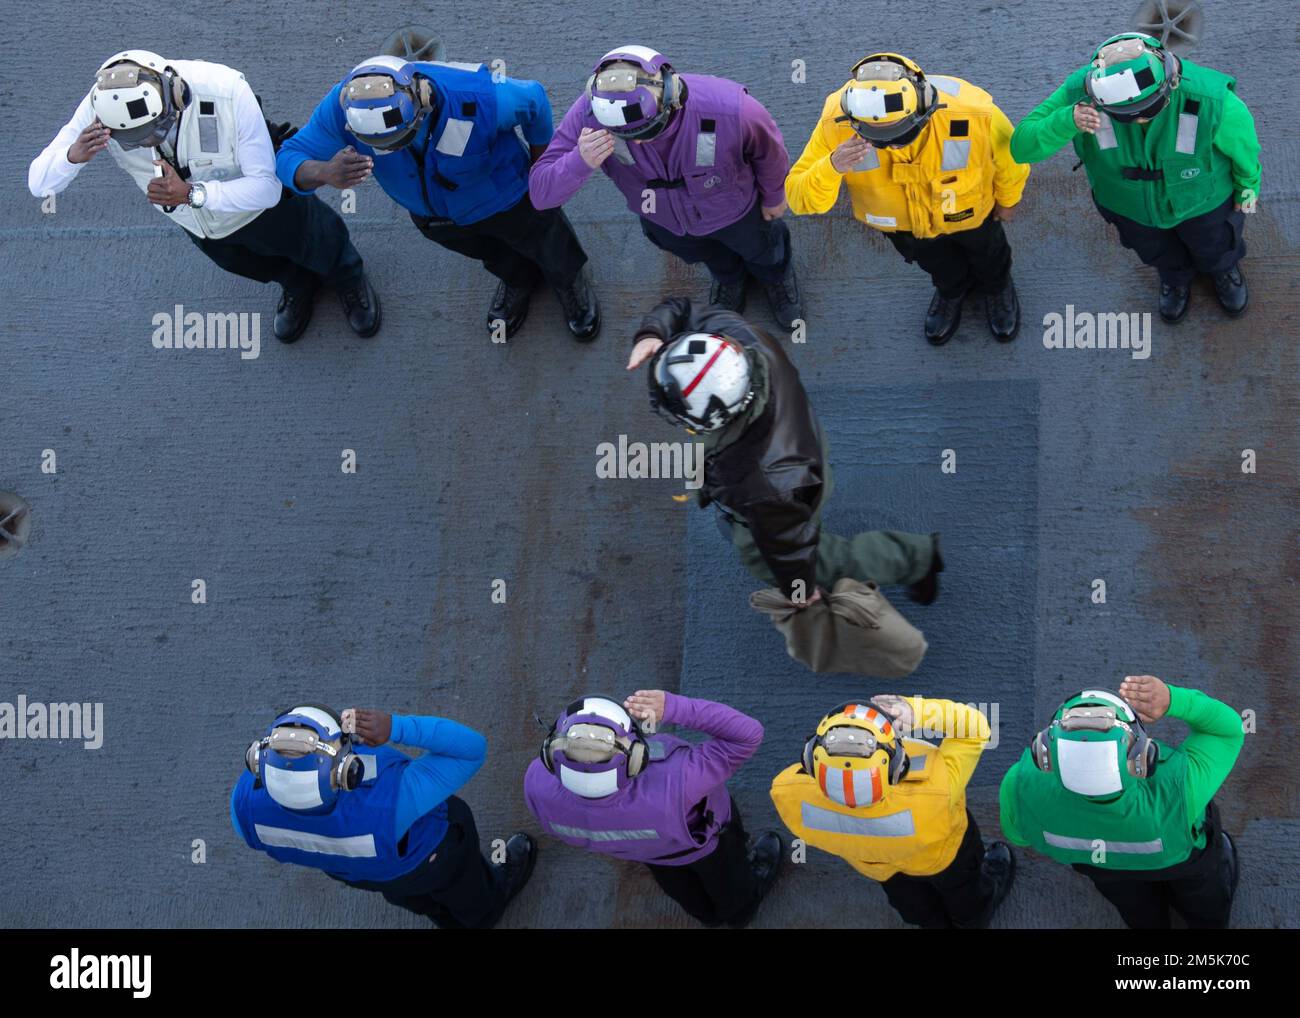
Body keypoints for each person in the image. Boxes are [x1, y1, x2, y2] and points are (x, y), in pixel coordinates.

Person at [29, 49, 378, 345]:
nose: (149, 143)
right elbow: (39, 183)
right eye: (135, 140)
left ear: (175, 94)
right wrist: (71, 157)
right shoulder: (103, 105)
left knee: (317, 240)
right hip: (202, 226)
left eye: (155, 130)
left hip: (258, 209)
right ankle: (299, 286)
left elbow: (267, 188)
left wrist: (192, 194)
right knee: (245, 263)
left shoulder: (227, 92)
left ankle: (348, 279)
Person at [629, 297, 943, 605]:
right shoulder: (744, 341)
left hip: (788, 495)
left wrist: (800, 588)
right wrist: (653, 333)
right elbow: (683, 309)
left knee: (832, 561)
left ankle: (916, 557)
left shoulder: (760, 486)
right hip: (802, 447)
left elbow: (789, 548)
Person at [278, 55, 598, 342]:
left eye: (400, 139)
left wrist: (542, 166)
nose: (396, 150)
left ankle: (567, 280)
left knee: (549, 241)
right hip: (437, 218)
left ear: (422, 102)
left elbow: (535, 100)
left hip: (509, 199)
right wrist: (323, 172)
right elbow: (287, 157)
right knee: (493, 254)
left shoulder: (479, 96)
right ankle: (519, 280)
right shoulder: (345, 105)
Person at [530, 45, 802, 329]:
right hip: (667, 224)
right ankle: (729, 280)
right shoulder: (592, 113)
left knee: (766, 250)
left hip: (737, 214)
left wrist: (774, 196)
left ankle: (775, 278)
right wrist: (579, 161)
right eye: (624, 135)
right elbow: (540, 194)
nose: (636, 143)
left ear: (673, 97)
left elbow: (770, 153)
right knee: (713, 258)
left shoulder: (732, 109)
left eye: (647, 131)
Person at [1011, 32, 1259, 322]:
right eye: (1127, 115)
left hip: (1203, 203)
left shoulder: (1214, 99)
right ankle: (1174, 279)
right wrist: (1067, 120)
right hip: (1130, 208)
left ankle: (1222, 270)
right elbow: (1020, 148)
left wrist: (1248, 193)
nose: (1142, 119)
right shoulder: (1080, 92)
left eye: (1151, 108)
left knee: (1216, 244)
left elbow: (1246, 152)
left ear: (1170, 80)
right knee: (1156, 251)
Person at [785, 52, 1028, 345]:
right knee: (940, 267)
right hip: (907, 230)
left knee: (991, 256)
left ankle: (998, 288)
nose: (889, 145)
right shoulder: (834, 122)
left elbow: (1011, 160)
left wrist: (1008, 200)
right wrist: (831, 166)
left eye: (901, 136)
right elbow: (799, 197)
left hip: (971, 217)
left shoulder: (975, 112)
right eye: (878, 139)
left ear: (924, 105)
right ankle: (951, 291)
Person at [232, 704, 534, 928]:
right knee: (464, 888)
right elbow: (471, 749)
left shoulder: (246, 807)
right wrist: (396, 728)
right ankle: (484, 912)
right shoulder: (394, 799)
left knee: (414, 896)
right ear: (345, 773)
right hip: (433, 854)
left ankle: (442, 915)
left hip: (366, 872)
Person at [999, 676, 1243, 928]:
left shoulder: (1018, 785)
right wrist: (1173, 700)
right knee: (1204, 900)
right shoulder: (1181, 787)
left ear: (1045, 755)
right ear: (1141, 761)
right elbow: (1228, 731)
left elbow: (1018, 837)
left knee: (1135, 907)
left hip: (1101, 870)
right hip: (1182, 863)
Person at [523, 691, 781, 927]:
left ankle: (709, 917)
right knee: (732, 885)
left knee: (684, 891)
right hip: (710, 845)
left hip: (654, 856)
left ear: (550, 754)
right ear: (635, 759)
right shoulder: (681, 778)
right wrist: (675, 707)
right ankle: (740, 914)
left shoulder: (537, 784)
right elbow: (748, 734)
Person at [771, 698, 1014, 928]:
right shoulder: (937, 791)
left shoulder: (789, 794)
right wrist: (916, 710)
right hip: (944, 859)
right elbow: (974, 728)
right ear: (898, 767)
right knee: (966, 897)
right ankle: (970, 921)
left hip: (880, 868)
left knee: (914, 907)